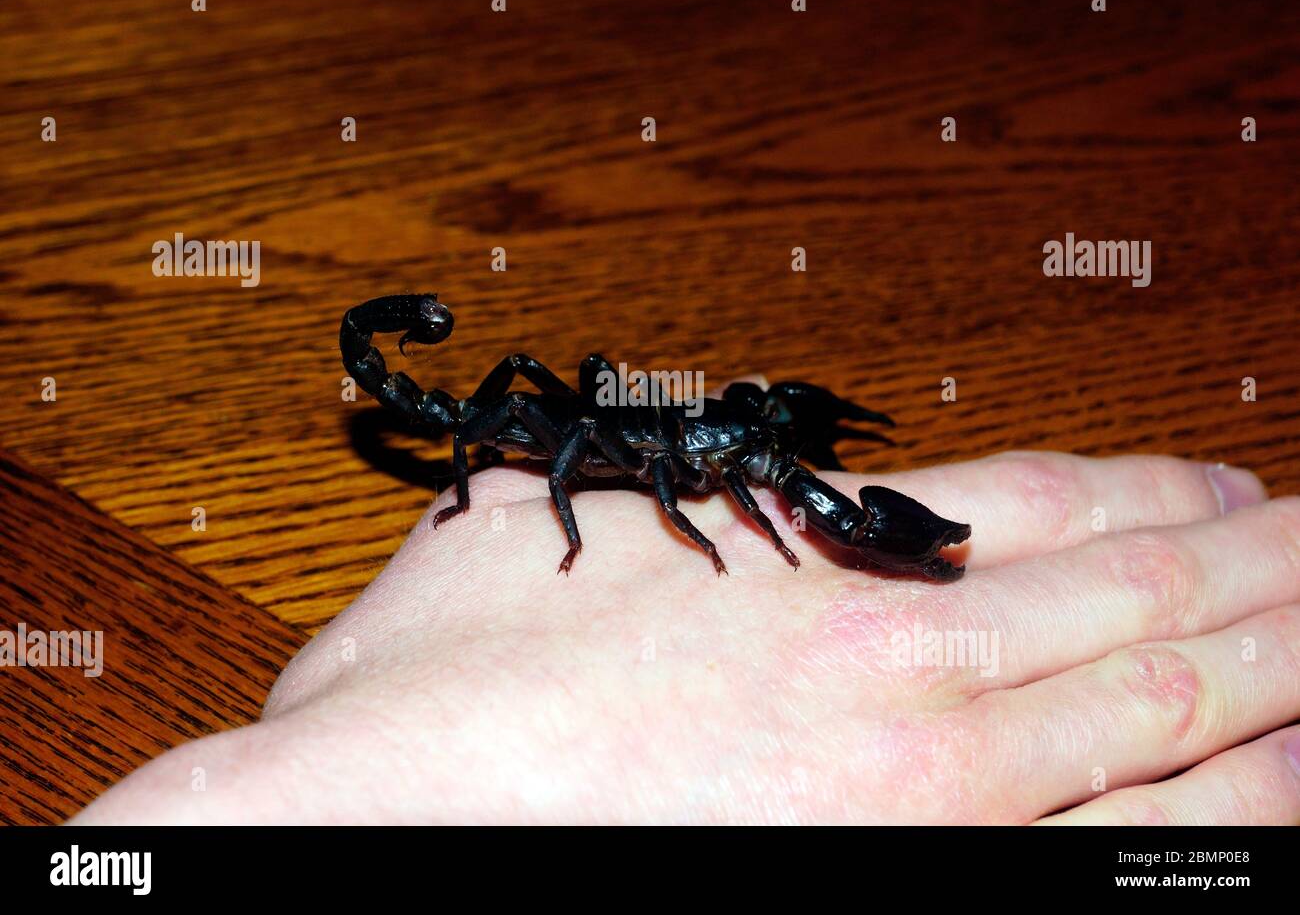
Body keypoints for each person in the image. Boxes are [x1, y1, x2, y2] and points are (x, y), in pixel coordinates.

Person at [70, 379, 1300, 824]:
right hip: (580, 447)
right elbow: (682, 483)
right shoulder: (684, 472)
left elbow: (747, 457)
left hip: (625, 439)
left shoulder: (727, 443)